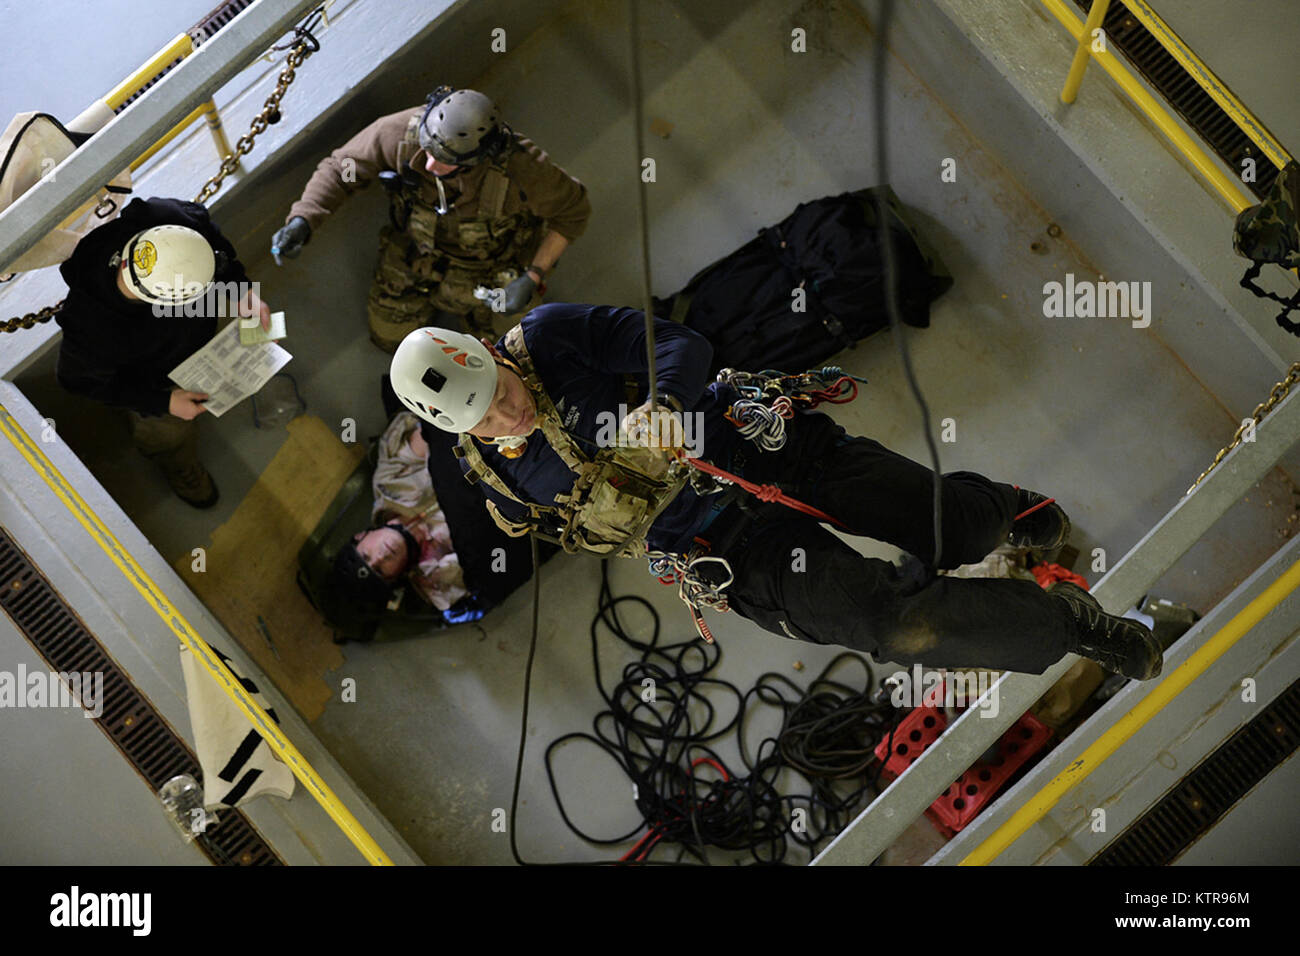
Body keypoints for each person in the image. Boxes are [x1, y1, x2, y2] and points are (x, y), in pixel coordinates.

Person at [387, 304, 1165, 681]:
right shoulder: (487, 474)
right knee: (890, 625)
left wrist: (667, 403)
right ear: (461, 432)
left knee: (950, 530)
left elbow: (682, 343)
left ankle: (1007, 511)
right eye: (486, 418)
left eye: (499, 387)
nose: (507, 409)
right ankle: (1068, 625)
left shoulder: (551, 336)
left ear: (488, 351)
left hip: (764, 451)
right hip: (724, 546)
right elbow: (572, 526)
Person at [270, 86, 591, 350]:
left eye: (446, 161)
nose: (430, 166)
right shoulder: (401, 133)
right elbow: (341, 169)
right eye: (429, 151)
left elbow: (573, 213)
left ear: (478, 158)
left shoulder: (522, 168)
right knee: (391, 341)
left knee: (527, 351)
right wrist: (303, 219)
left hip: (495, 273)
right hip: (416, 256)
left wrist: (532, 276)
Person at [55, 196, 272, 508]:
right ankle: (178, 465)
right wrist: (162, 402)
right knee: (168, 436)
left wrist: (239, 289)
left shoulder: (165, 218)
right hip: (153, 382)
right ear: (167, 304)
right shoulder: (93, 329)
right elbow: (78, 381)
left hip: (191, 346)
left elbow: (211, 239)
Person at [326, 410, 485, 632]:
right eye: (381, 569)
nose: (381, 556)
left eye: (366, 555)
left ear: (360, 537)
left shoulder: (390, 483)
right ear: (395, 578)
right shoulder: (436, 577)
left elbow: (432, 431)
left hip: (479, 428)